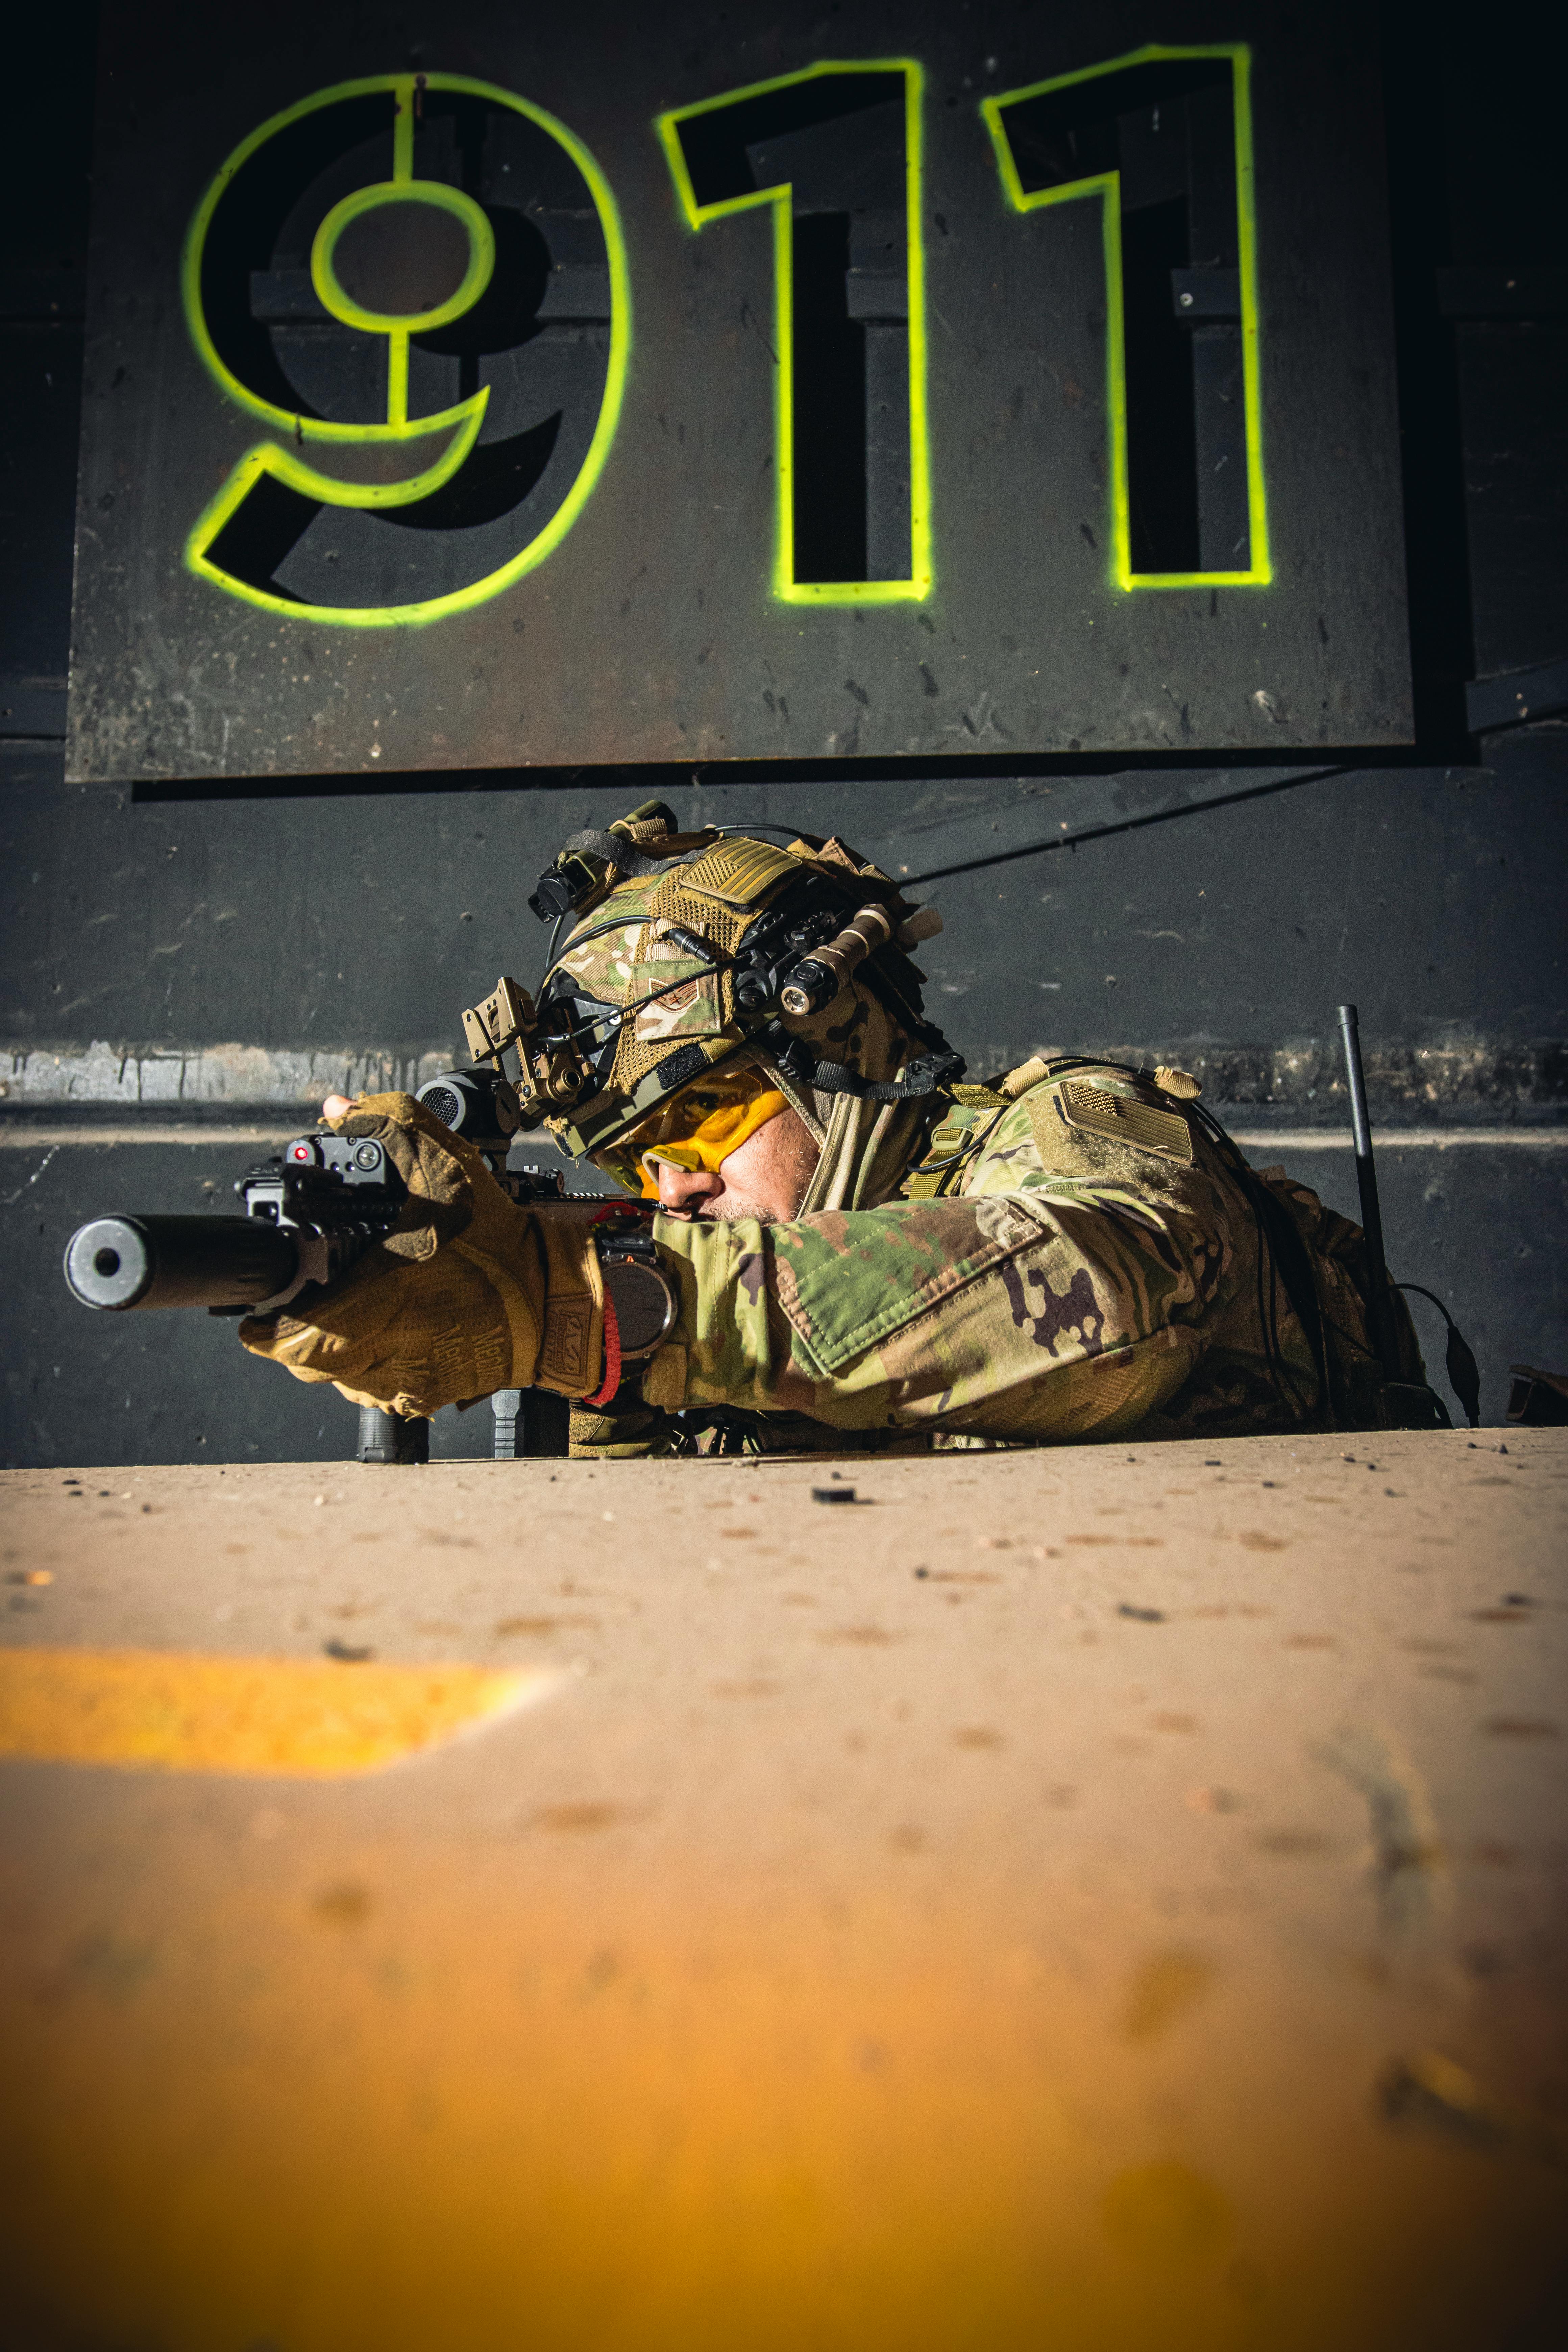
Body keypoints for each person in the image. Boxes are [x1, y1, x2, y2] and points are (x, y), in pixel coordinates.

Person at [242, 803, 1429, 1454]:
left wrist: (580, 1308)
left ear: (841, 1057)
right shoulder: (720, 1323)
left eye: (708, 1118)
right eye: (634, 1160)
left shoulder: (1069, 1131)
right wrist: (584, 1384)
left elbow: (1106, 1298)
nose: (675, 1190)